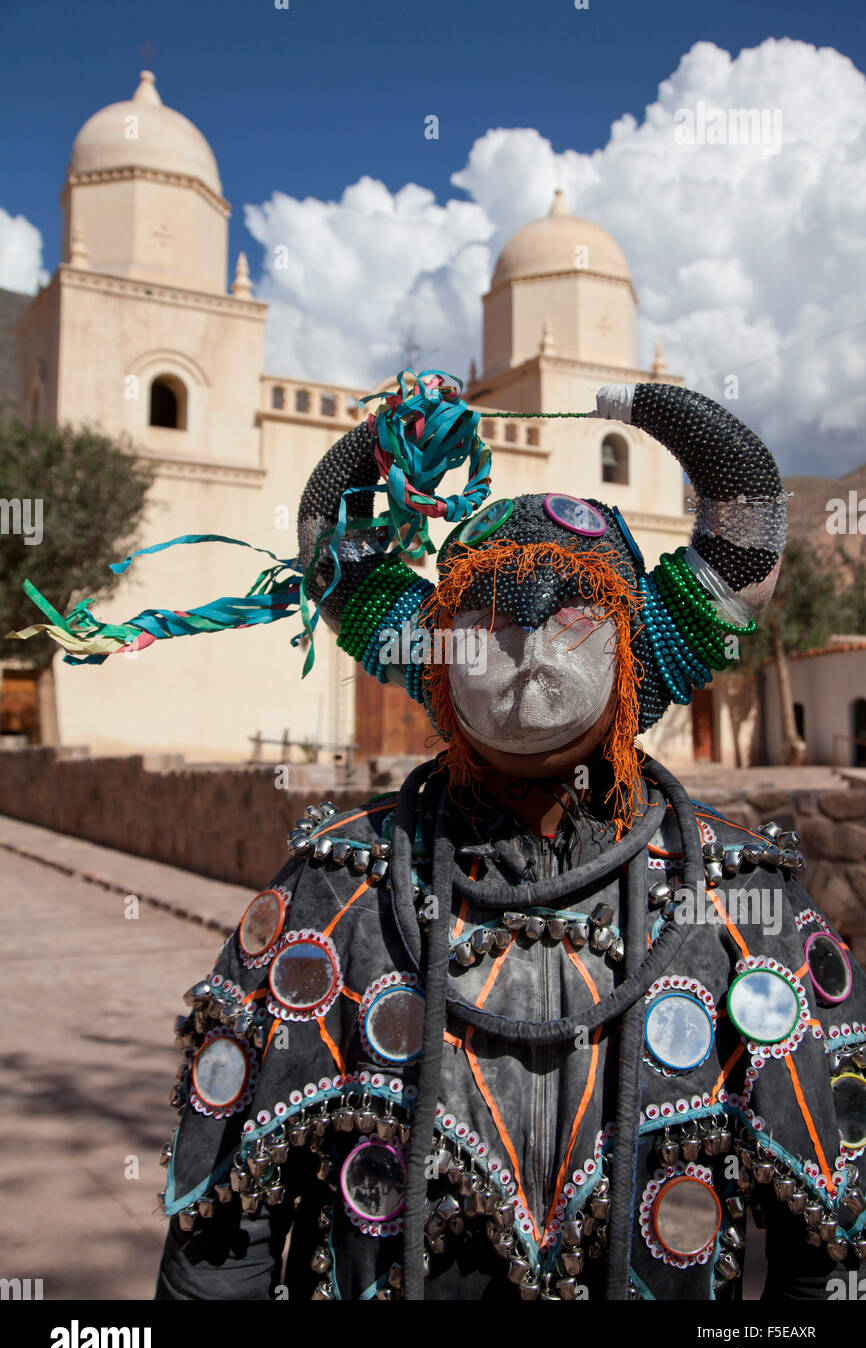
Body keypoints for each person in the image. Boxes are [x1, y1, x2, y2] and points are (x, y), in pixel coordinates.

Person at [16, 368, 864, 1299]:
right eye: (485, 619)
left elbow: (824, 1255)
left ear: (639, 649)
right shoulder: (335, 892)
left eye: (576, 614)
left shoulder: (747, 903)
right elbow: (225, 1244)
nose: (528, 650)